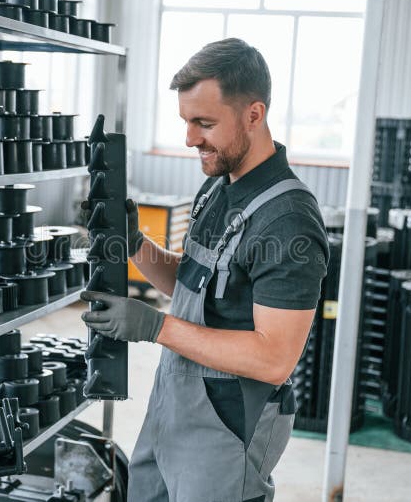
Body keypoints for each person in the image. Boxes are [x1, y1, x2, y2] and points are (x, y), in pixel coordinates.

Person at [80, 38, 329, 502]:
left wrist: (154, 326)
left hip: (228, 431)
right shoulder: (218, 188)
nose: (190, 139)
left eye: (205, 123)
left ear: (254, 115)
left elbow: (274, 358)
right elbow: (193, 285)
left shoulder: (288, 219)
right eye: (186, 121)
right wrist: (135, 245)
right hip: (171, 410)